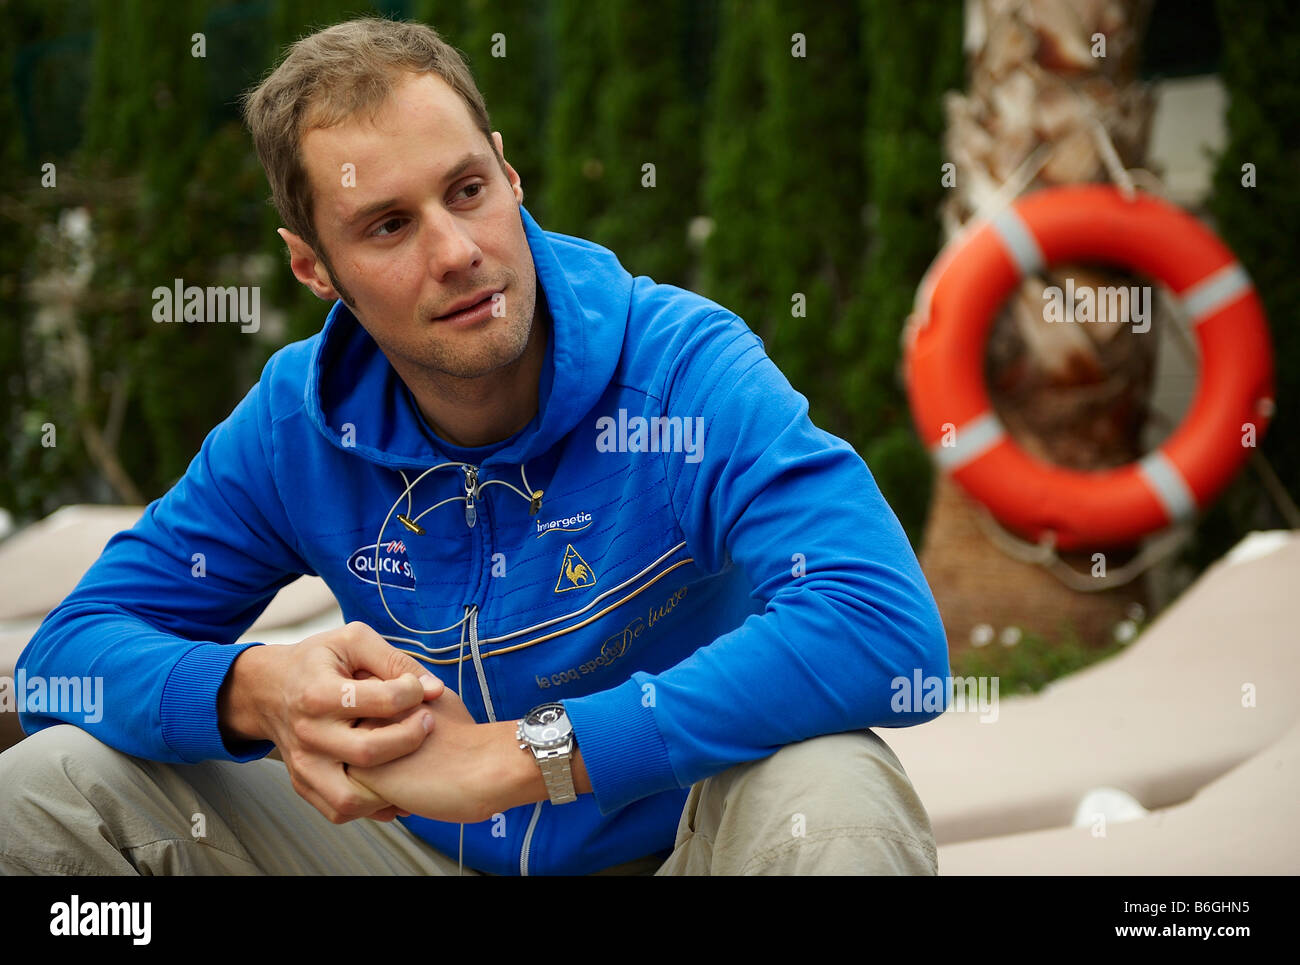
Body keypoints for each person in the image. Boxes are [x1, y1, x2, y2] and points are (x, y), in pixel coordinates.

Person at [0, 16, 949, 876]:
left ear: (508, 172)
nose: (455, 250)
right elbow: (63, 662)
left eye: (467, 189)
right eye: (388, 226)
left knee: (833, 792)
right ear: (312, 266)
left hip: (681, 852)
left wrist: (526, 755)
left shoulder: (678, 370)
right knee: (50, 788)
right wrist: (258, 688)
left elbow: (881, 623)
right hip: (412, 852)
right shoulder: (297, 422)